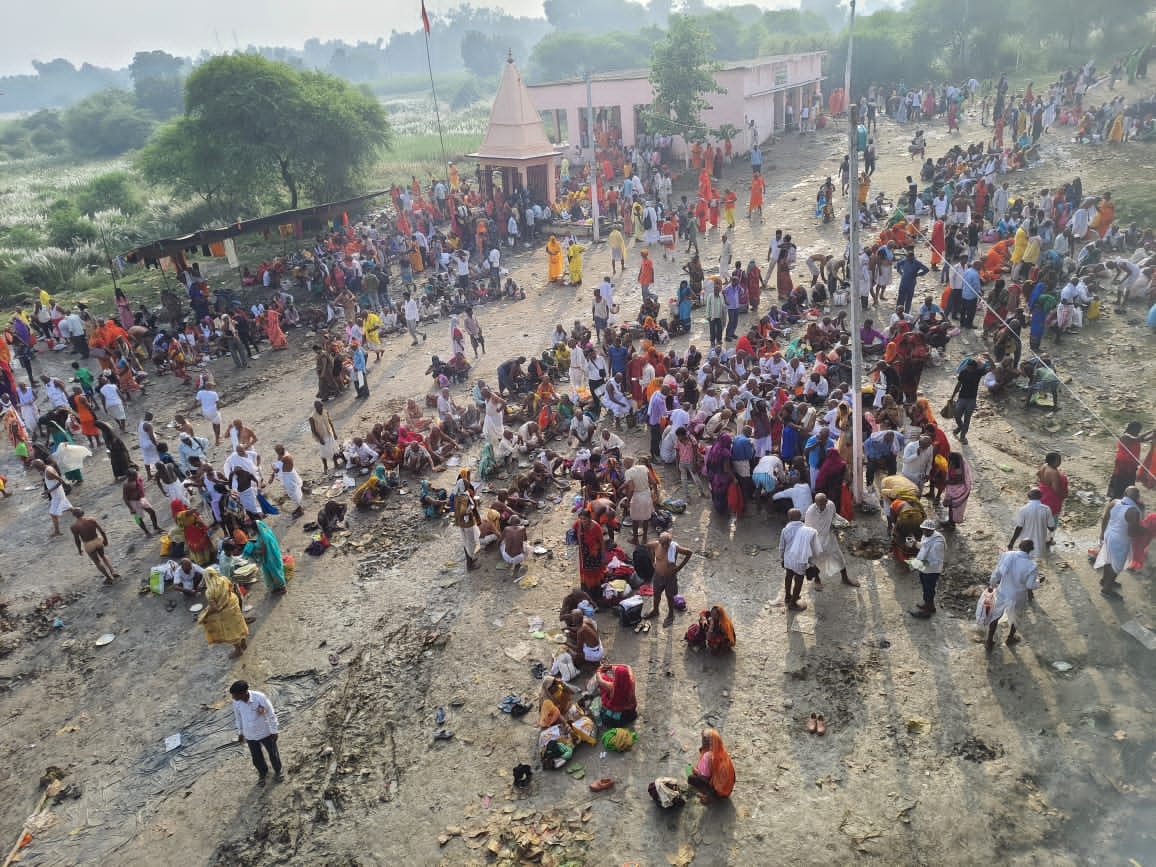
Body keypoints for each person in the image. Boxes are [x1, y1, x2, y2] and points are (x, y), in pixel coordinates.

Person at [984, 540, 1041, 652]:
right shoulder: (1032, 565)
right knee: (1016, 617)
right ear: (1031, 550)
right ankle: (1010, 638)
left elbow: (997, 573)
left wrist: (991, 584)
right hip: (1018, 596)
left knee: (995, 616)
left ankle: (989, 641)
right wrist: (1039, 581)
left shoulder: (1008, 555)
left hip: (1002, 592)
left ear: (1019, 546)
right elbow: (1030, 585)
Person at [229, 680, 282, 785]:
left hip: (265, 732)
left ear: (243, 693)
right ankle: (263, 774)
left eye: (235, 695)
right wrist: (241, 733)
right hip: (250, 735)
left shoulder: (260, 698)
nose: (233, 698)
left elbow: (271, 714)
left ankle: (278, 771)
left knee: (273, 754)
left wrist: (274, 731)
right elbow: (238, 718)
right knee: (256, 757)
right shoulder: (236, 703)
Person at [1096, 486, 1143, 598]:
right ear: (1136, 498)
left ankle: (1105, 580)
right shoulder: (1133, 511)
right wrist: (1145, 531)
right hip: (1120, 540)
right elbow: (1132, 533)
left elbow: (1105, 518)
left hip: (1109, 534)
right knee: (1115, 566)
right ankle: (1106, 590)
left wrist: (1102, 534)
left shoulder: (1114, 502)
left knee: (1108, 559)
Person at [805, 493, 859, 588]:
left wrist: (844, 523)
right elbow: (807, 529)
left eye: (823, 504)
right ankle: (817, 580)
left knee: (839, 558)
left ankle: (845, 579)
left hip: (830, 537)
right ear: (815, 503)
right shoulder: (810, 512)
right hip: (816, 540)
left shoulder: (831, 505)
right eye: (819, 504)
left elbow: (834, 516)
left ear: (826, 501)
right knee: (814, 561)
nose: (822, 506)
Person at [644, 531, 693, 627]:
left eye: (667, 544)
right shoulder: (656, 545)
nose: (666, 546)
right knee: (656, 594)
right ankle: (655, 610)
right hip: (658, 575)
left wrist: (679, 568)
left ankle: (671, 615)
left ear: (670, 542)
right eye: (663, 544)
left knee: (670, 596)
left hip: (670, 577)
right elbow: (647, 547)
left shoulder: (674, 547)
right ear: (660, 542)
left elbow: (689, 553)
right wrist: (652, 561)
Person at [199, 569, 249, 659]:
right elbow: (231, 588)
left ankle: (238, 650)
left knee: (232, 631)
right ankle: (243, 642)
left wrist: (205, 614)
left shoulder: (209, 592)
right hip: (233, 604)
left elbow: (216, 608)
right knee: (238, 624)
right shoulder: (224, 579)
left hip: (226, 613)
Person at [779, 508, 819, 610]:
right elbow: (810, 547)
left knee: (788, 576)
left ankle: (788, 596)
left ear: (789, 518)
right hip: (800, 560)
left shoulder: (785, 530)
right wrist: (811, 562)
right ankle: (793, 603)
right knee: (799, 580)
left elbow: (782, 546)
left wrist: (782, 558)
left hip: (788, 559)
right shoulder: (807, 530)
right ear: (801, 517)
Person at [69, 508, 118, 583]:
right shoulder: (91, 520)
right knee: (104, 556)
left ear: (74, 515)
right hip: (97, 540)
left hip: (88, 544)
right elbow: (102, 531)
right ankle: (113, 571)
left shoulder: (74, 527)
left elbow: (77, 540)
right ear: (83, 512)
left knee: (97, 562)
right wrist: (105, 540)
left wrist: (79, 549)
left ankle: (108, 578)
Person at [687, 728, 735, 803]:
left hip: (719, 791)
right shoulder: (721, 751)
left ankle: (708, 798)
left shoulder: (708, 756)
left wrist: (695, 772)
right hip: (728, 787)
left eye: (702, 739)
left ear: (706, 742)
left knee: (691, 778)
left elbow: (705, 778)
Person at [1108, 422, 1154, 499]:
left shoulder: (1134, 437)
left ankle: (1125, 497)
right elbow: (1138, 439)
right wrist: (1151, 431)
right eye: (1137, 430)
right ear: (1131, 428)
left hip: (1131, 466)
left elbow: (1143, 439)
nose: (1138, 432)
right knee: (1120, 483)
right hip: (1122, 466)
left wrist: (1153, 435)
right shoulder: (1125, 437)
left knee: (1129, 483)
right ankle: (1116, 498)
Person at [909, 519, 945, 618]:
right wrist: (915, 543)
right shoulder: (926, 536)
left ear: (932, 530)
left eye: (926, 530)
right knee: (925, 587)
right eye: (923, 530)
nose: (924, 532)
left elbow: (936, 561)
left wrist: (918, 563)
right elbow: (924, 546)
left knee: (929, 589)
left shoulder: (938, 543)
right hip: (924, 568)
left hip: (932, 570)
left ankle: (927, 612)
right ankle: (929, 606)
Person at [32, 459, 73, 538]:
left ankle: (57, 531)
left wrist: (49, 490)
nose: (36, 470)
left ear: (39, 467)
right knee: (68, 507)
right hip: (57, 494)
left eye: (36, 468)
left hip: (57, 495)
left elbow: (61, 480)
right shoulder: (46, 469)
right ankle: (79, 513)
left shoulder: (48, 471)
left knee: (53, 514)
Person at [244, 520, 287, 593]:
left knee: (274, 572)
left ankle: (282, 587)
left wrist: (253, 551)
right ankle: (277, 586)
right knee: (276, 570)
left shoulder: (263, 539)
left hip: (268, 559)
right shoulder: (266, 532)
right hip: (274, 555)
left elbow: (263, 551)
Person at [950, 358, 984, 444]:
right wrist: (952, 396)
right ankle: (961, 427)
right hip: (962, 397)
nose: (968, 369)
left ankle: (963, 436)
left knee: (967, 418)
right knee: (957, 415)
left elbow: (992, 368)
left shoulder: (978, 373)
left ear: (974, 368)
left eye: (970, 368)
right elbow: (958, 385)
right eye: (967, 367)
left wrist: (990, 359)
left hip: (971, 399)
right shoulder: (963, 372)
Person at [624, 456, 656, 545]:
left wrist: (628, 501)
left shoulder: (628, 472)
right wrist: (655, 494)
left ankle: (635, 539)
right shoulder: (644, 467)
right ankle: (645, 538)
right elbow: (653, 482)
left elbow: (631, 488)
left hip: (637, 496)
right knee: (646, 518)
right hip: (646, 494)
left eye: (624, 464)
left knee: (635, 519)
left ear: (627, 464)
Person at [573, 508, 606, 594]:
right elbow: (573, 532)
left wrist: (603, 555)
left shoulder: (596, 527)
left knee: (595, 570)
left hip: (595, 553)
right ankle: (587, 585)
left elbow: (602, 542)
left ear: (590, 518)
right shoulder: (578, 524)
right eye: (581, 519)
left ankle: (596, 586)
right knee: (586, 570)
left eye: (585, 519)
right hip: (584, 553)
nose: (583, 521)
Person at [595, 663, 637, 727]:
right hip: (630, 711)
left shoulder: (611, 687)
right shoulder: (632, 682)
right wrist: (612, 666)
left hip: (617, 713)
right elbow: (628, 666)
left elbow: (599, 679)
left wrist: (599, 669)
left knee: (604, 676)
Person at [271, 445, 304, 518]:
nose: (277, 453)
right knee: (292, 493)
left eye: (278, 451)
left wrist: (272, 465)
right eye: (276, 451)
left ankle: (300, 510)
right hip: (287, 475)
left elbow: (276, 469)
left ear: (282, 449)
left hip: (289, 477)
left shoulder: (285, 457)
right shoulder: (281, 455)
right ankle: (299, 508)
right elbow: (278, 468)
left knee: (294, 493)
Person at [309, 400, 340, 472]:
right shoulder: (312, 417)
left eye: (322, 406)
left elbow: (330, 422)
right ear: (316, 407)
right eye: (320, 407)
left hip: (329, 433)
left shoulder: (325, 412)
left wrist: (334, 433)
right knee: (323, 453)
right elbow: (313, 430)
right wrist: (320, 439)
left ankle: (336, 463)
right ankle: (325, 466)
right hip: (321, 437)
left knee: (333, 449)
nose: (321, 408)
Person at [1037, 452, 1068, 518]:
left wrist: (1044, 481)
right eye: (1059, 460)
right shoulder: (1054, 472)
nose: (1060, 462)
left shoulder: (1044, 465)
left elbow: (1038, 473)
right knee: (1051, 513)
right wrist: (1063, 495)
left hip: (1043, 490)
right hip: (1050, 497)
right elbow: (1056, 489)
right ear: (1054, 462)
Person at [501, 515, 528, 579]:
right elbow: (525, 540)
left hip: (506, 557)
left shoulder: (506, 529)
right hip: (519, 558)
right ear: (519, 522)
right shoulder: (523, 528)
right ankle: (517, 564)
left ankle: (508, 562)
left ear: (510, 522)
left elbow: (500, 540)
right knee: (527, 546)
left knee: (502, 544)